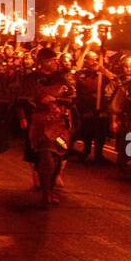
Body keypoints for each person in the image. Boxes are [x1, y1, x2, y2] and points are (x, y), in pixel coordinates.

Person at [17, 46, 77, 205]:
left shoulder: (61, 78)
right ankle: (45, 192)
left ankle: (49, 189)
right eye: (52, 60)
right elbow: (23, 100)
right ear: (43, 62)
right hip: (40, 123)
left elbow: (71, 97)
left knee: (58, 156)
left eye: (56, 60)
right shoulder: (31, 79)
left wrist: (56, 100)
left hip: (60, 124)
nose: (55, 63)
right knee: (46, 156)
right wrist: (36, 103)